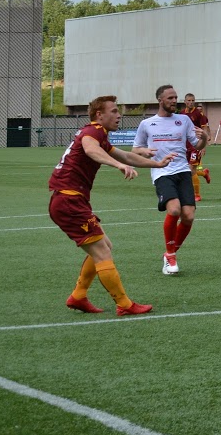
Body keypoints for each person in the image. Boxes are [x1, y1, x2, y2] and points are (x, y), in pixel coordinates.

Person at [50, 95, 168, 315]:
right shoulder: (93, 131)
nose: (118, 115)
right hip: (69, 200)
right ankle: (124, 304)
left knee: (105, 245)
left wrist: (157, 164)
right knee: (102, 252)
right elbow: (90, 150)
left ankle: (78, 296)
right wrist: (117, 165)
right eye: (113, 111)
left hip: (71, 200)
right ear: (99, 115)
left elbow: (126, 156)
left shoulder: (99, 135)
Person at [134, 84, 207, 276]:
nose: (175, 101)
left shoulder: (184, 120)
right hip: (162, 172)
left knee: (188, 216)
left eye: (175, 97)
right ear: (160, 100)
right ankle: (171, 257)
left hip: (183, 171)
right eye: (170, 98)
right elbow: (135, 149)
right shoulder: (147, 124)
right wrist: (145, 151)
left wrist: (205, 138)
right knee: (174, 209)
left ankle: (169, 253)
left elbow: (197, 145)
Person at [181, 93, 211, 202]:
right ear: (185, 101)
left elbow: (204, 129)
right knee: (186, 170)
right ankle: (204, 173)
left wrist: (203, 145)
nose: (191, 102)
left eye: (192, 100)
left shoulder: (198, 114)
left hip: (196, 145)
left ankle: (197, 195)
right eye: (189, 100)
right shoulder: (181, 114)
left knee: (192, 169)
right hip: (185, 145)